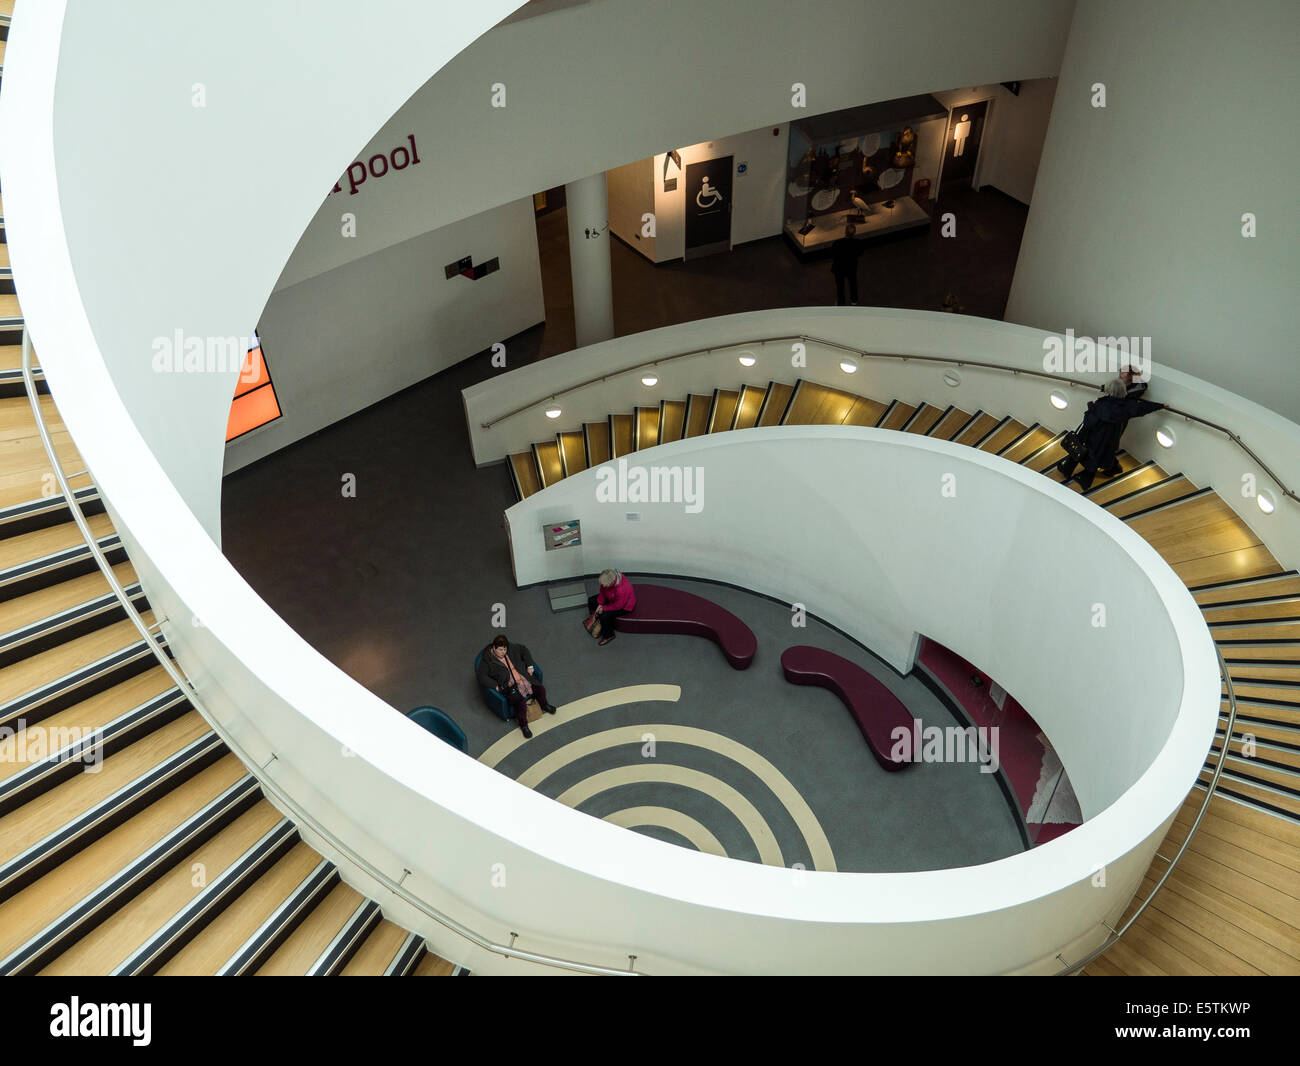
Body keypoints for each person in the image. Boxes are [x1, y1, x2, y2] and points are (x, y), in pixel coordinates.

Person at [1056, 379, 1167, 490]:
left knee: (1083, 452)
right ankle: (1096, 474)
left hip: (1094, 437)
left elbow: (1088, 422)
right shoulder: (1127, 406)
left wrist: (1090, 408)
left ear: (1109, 390)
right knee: (1099, 456)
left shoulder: (1101, 405)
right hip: (1110, 440)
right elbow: (1143, 408)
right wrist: (1161, 405)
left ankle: (1073, 473)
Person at [476, 634, 555, 739]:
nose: (503, 652)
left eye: (505, 649)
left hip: (523, 677)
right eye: (500, 650)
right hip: (510, 686)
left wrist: (530, 665)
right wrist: (495, 685)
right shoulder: (488, 660)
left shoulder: (512, 648)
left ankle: (544, 705)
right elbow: (481, 675)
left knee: (540, 689)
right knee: (520, 704)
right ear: (494, 648)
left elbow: (524, 650)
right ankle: (524, 726)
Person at [584, 569, 636, 647]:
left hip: (624, 606)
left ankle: (609, 635)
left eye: (605, 585)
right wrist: (600, 604)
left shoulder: (621, 589)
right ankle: (594, 618)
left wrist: (604, 608)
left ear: (611, 583)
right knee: (591, 600)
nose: (603, 585)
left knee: (604, 615)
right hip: (612, 598)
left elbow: (618, 606)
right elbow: (602, 591)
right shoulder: (606, 581)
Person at [830, 226, 865, 306]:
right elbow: (860, 253)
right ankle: (854, 301)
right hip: (851, 267)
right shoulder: (858, 243)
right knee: (853, 284)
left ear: (845, 232)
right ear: (854, 233)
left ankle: (841, 302)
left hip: (839, 268)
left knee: (840, 286)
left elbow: (832, 254)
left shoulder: (837, 243)